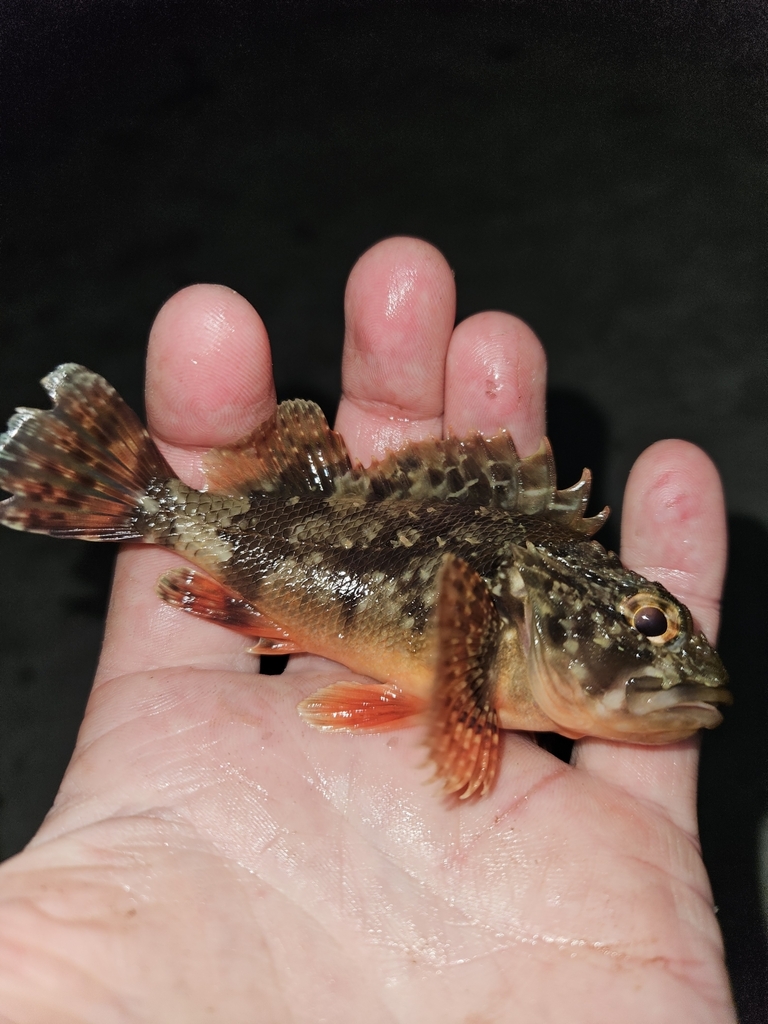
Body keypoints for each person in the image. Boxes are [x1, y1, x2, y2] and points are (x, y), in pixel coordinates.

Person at [0, 237, 735, 1022]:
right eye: (650, 625)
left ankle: (151, 504)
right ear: (539, 609)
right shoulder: (504, 622)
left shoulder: (529, 642)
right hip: (275, 542)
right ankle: (146, 502)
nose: (665, 651)